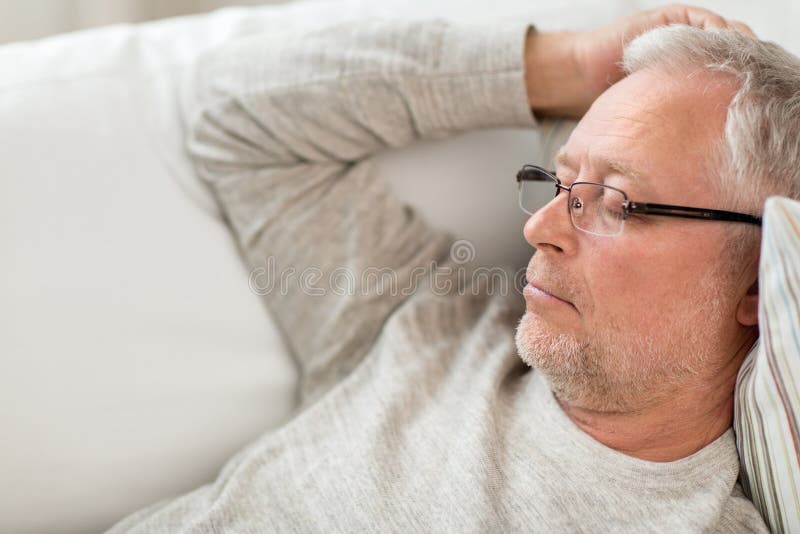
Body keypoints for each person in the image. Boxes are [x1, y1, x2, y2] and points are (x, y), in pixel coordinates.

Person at [108, 3, 800, 532]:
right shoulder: (425, 326)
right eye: (557, 183)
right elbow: (236, 115)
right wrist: (565, 66)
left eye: (614, 202)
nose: (538, 228)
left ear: (757, 275)